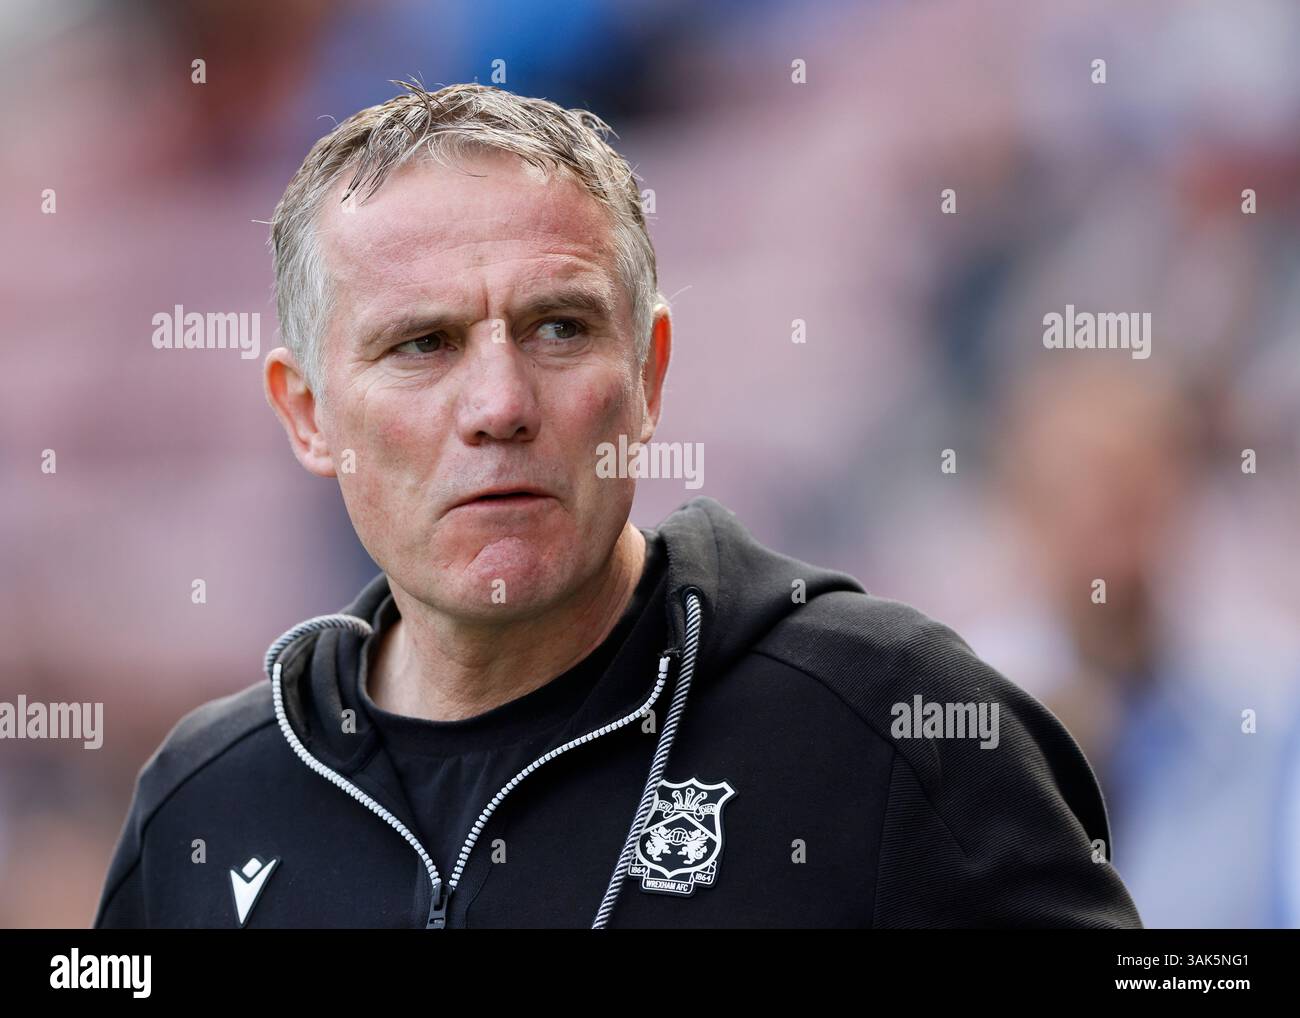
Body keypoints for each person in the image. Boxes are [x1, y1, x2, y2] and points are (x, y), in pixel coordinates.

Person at [93, 81, 1141, 929]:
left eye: (558, 328)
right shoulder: (202, 804)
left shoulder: (893, 725)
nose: (500, 405)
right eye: (423, 344)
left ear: (648, 371)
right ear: (308, 413)